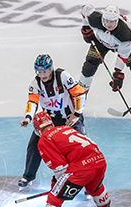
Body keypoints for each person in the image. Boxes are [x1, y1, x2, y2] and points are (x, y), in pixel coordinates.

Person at [26, 111, 117, 207]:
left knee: (54, 197)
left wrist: (56, 188)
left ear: (37, 128)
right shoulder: (66, 128)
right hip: (99, 160)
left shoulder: (44, 139)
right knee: (95, 188)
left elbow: (61, 168)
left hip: (82, 168)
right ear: (50, 122)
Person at [19, 54, 87, 191]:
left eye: (44, 71)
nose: (42, 75)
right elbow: (32, 101)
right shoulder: (35, 83)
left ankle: (85, 181)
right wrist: (28, 117)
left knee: (80, 147)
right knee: (35, 144)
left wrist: (77, 114)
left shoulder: (63, 76)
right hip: (50, 119)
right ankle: (28, 176)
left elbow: (79, 93)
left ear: (51, 69)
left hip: (70, 117)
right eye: (39, 71)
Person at [79, 4, 131, 114]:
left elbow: (123, 56)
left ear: (117, 20)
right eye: (107, 20)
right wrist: (86, 28)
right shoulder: (94, 18)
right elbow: (85, 9)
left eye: (112, 21)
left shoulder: (125, 34)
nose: (109, 24)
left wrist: (117, 72)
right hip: (101, 42)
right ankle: (79, 99)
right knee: (88, 67)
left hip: (121, 45)